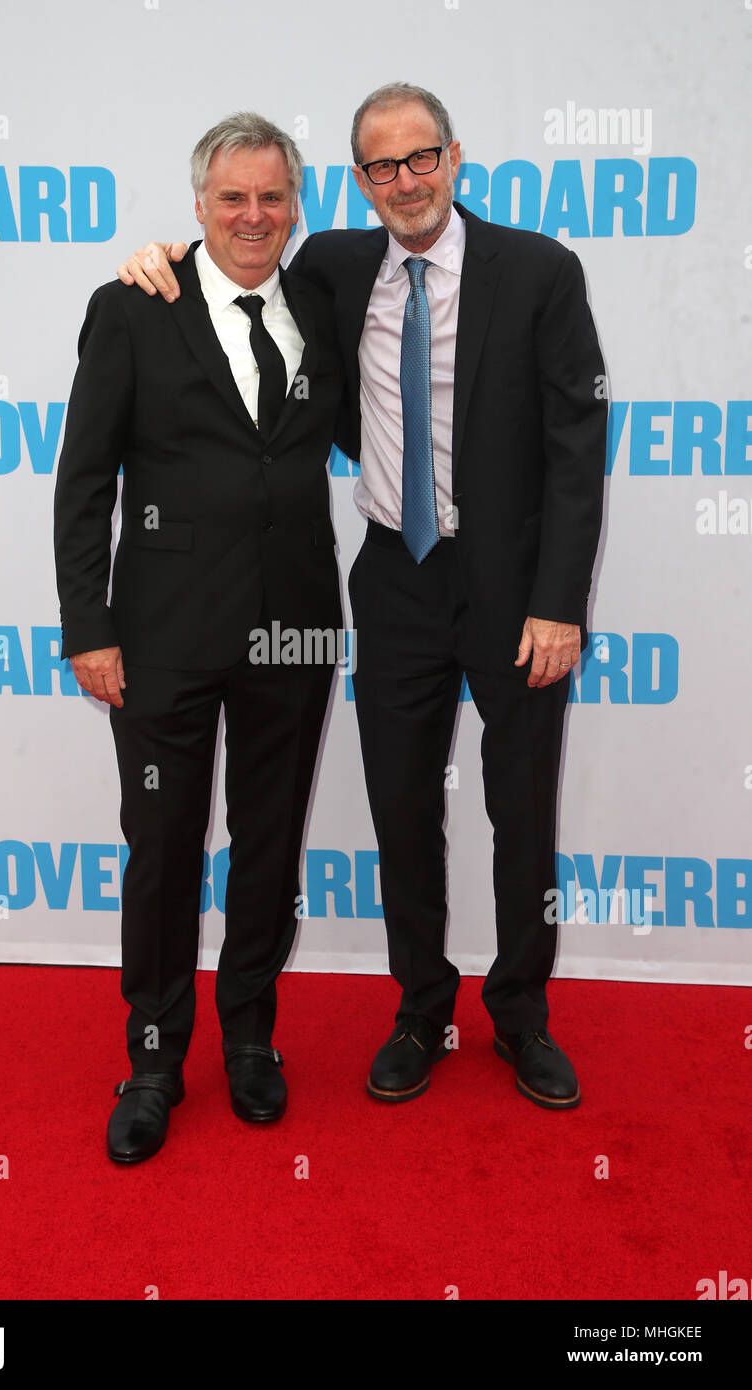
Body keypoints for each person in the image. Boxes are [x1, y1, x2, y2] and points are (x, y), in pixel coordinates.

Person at [117, 83, 608, 1112]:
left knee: (520, 809)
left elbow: (574, 447)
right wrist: (155, 258)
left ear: (454, 156)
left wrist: (558, 600)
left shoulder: (537, 271)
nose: (404, 182)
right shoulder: (335, 267)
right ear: (356, 183)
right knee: (400, 810)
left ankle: (518, 1013)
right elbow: (229, 265)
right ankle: (420, 1009)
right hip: (394, 577)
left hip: (515, 587)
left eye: (419, 158)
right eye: (381, 167)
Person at [54, 112, 344, 1163]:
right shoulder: (133, 307)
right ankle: (151, 1059)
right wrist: (87, 624)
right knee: (164, 851)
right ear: (197, 207)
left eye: (271, 197)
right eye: (232, 199)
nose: (253, 217)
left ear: (296, 204)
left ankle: (252, 1039)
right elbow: (84, 479)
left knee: (269, 845)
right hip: (162, 635)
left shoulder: (322, 296)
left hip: (296, 629)